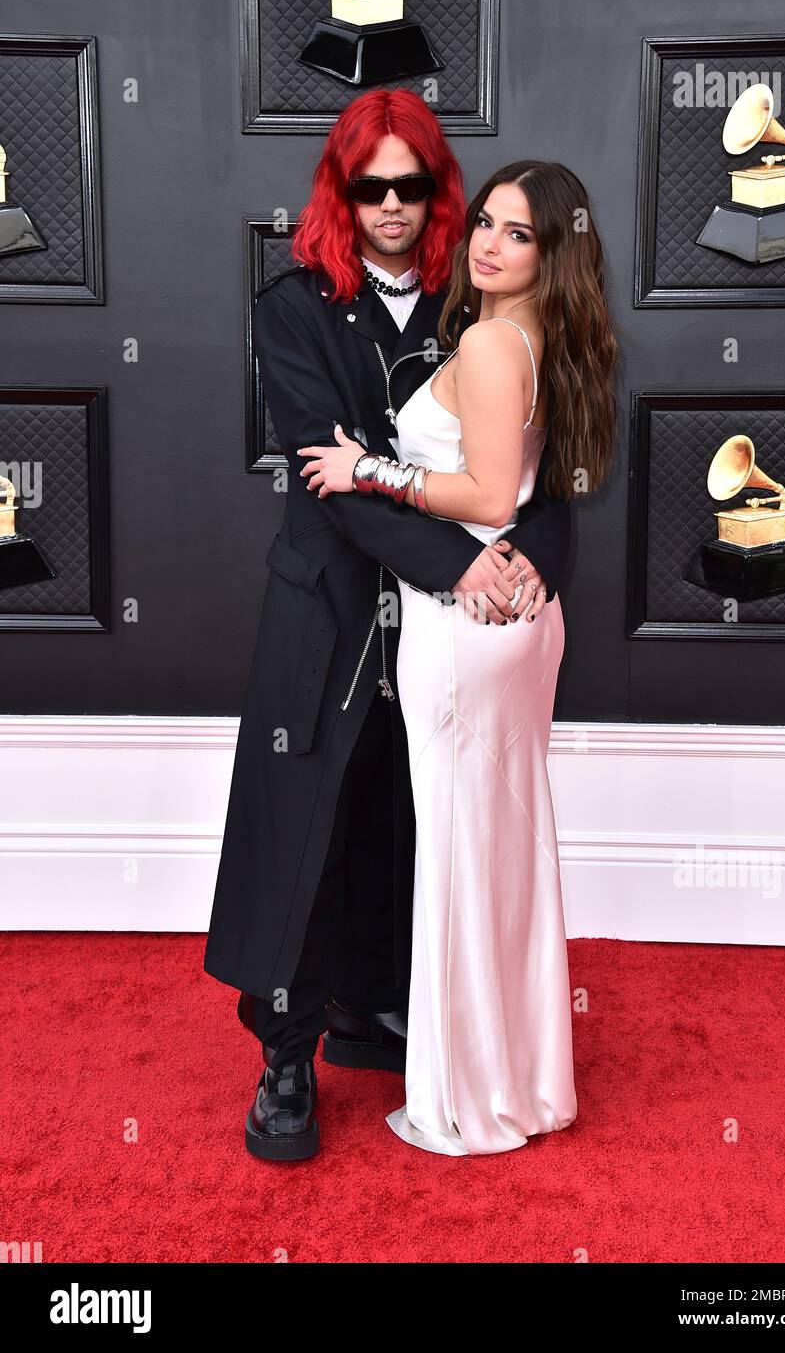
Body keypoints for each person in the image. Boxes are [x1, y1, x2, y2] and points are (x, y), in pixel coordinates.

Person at [202, 89, 574, 1160]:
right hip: (327, 616)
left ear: (438, 191)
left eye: (413, 185)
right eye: (372, 186)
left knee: (409, 827)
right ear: (341, 189)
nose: (393, 206)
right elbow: (342, 484)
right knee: (303, 834)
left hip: (447, 638)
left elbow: (539, 472)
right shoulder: (292, 307)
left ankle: (378, 1010)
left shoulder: (483, 302)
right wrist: (469, 564)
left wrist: (529, 562)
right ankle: (285, 1053)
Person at [298, 159, 618, 1154]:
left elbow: (485, 497)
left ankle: (469, 1098)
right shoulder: (556, 335)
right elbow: (534, 489)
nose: (485, 243)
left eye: (516, 233)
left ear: (549, 250)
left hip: (466, 623)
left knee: (461, 858)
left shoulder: (486, 340)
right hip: (519, 622)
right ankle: (521, 1080)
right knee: (506, 851)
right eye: (483, 221)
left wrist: (368, 468)